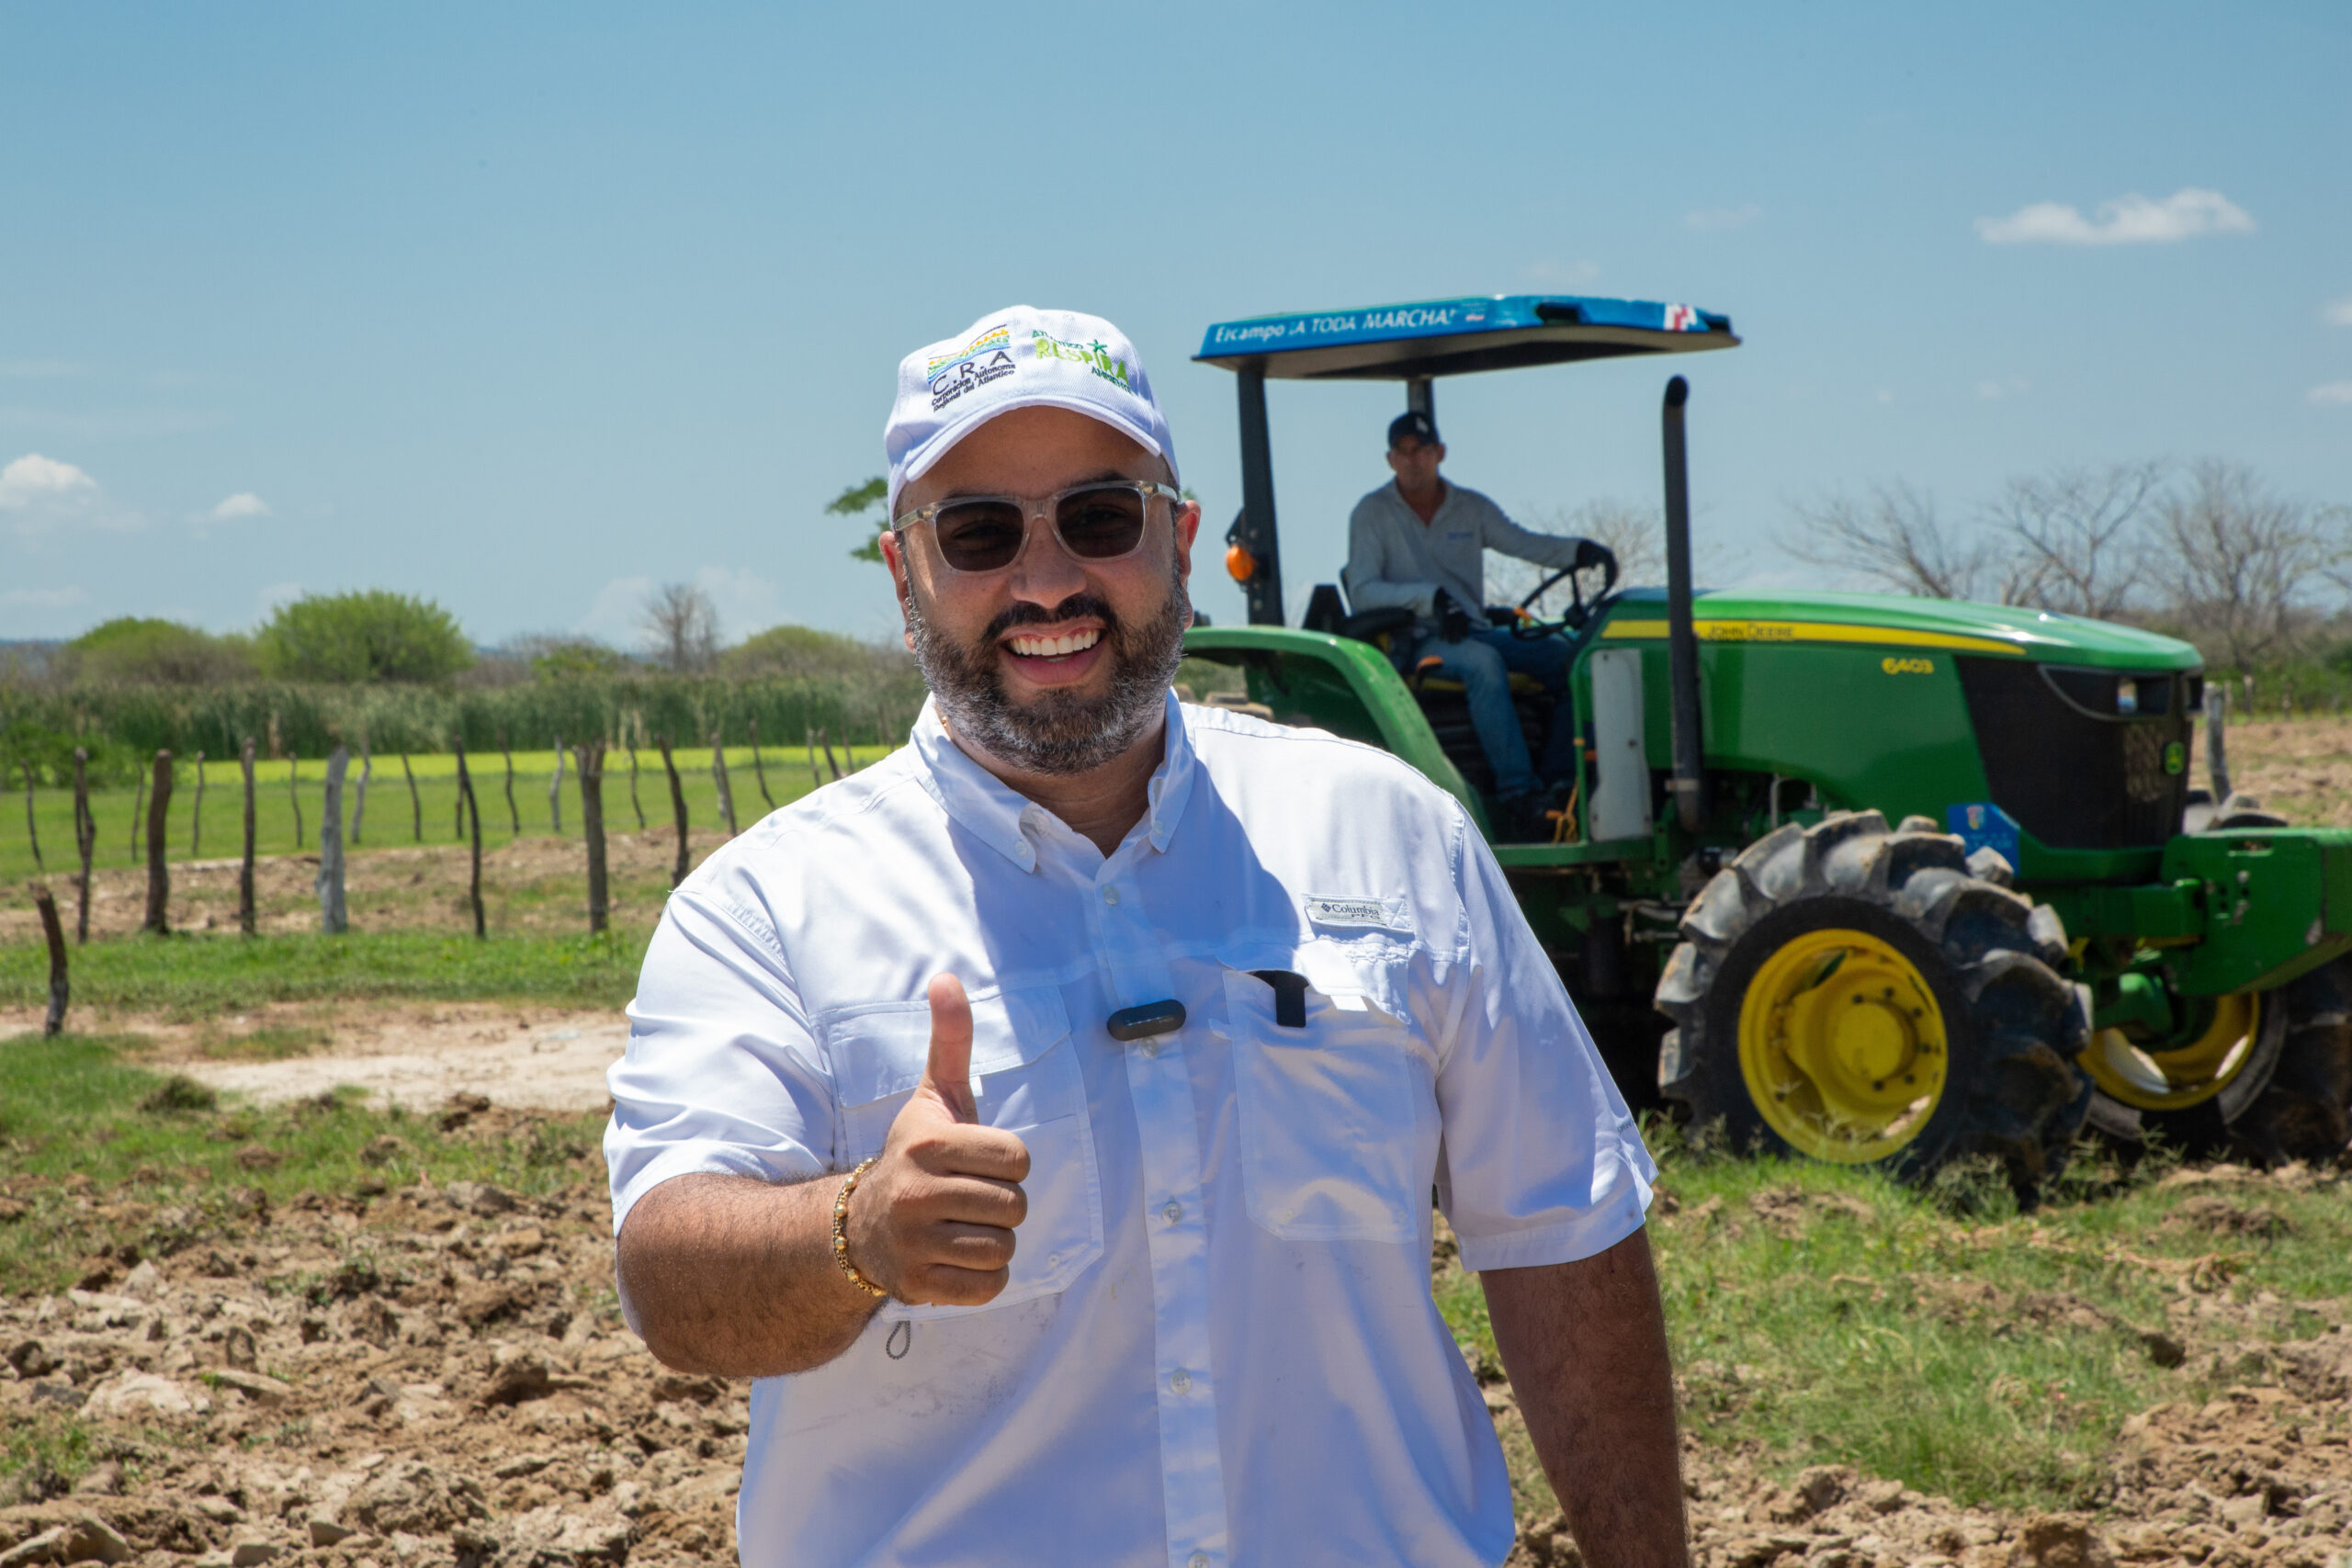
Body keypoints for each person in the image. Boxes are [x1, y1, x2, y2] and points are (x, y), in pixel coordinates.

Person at [605, 306, 1685, 1568]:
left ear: (1176, 539)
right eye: (980, 531)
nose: (1047, 580)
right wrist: (856, 1230)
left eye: (1101, 517)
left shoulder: (1395, 839)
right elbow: (671, 1284)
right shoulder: (766, 908)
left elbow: (1565, 1234)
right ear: (905, 575)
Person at [1343, 411, 1614, 837]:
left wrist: (1579, 552)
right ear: (1391, 459)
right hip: (1416, 639)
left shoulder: (1469, 507)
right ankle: (1519, 794)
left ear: (1440, 453)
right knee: (1483, 663)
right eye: (1404, 452)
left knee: (1571, 659)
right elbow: (1363, 591)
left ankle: (1560, 782)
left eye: (1422, 450)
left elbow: (1523, 542)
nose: (1413, 460)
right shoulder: (1372, 513)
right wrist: (1429, 598)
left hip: (1472, 628)